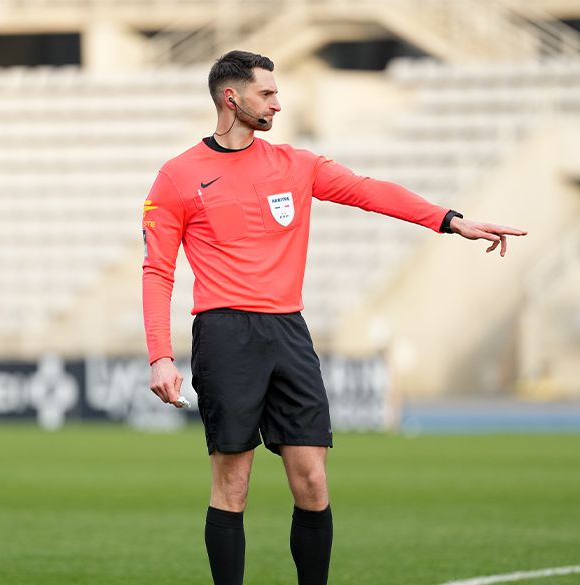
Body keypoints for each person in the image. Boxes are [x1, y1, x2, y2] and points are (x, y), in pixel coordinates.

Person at [141, 50, 527, 585]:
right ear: (231, 97)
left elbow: (369, 191)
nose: (278, 103)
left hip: (288, 332)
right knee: (233, 484)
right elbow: (157, 270)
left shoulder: (295, 164)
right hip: (226, 333)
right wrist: (160, 355)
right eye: (267, 93)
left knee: (313, 482)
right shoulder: (178, 176)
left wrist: (448, 220)